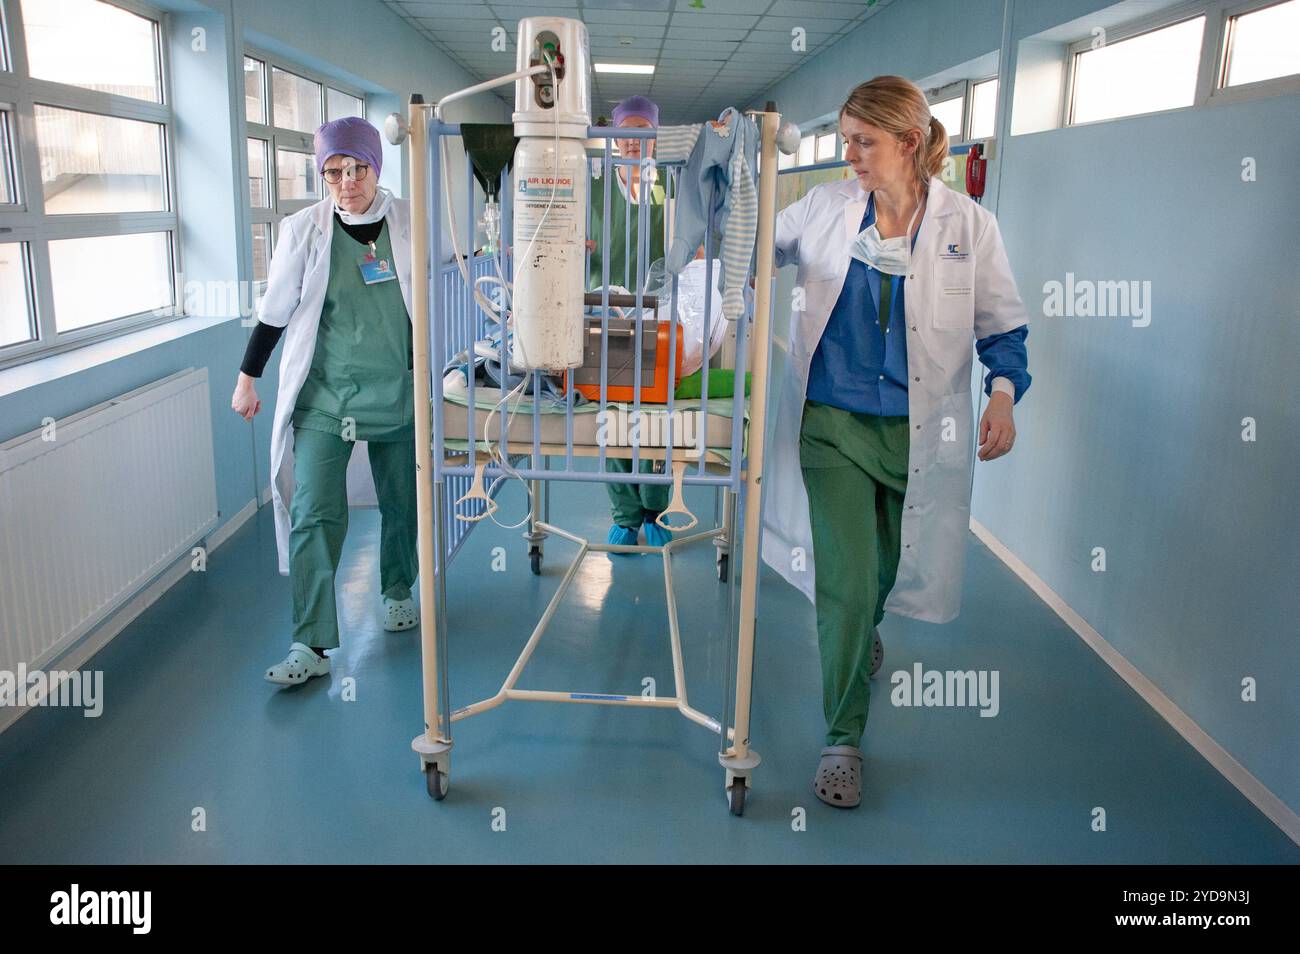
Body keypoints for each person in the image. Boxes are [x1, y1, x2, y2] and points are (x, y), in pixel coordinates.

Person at [762, 76, 1032, 807]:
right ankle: (842, 737)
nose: (848, 154)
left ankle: (863, 632)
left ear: (909, 143)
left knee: (883, 570)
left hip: (920, 434)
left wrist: (1003, 395)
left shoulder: (968, 226)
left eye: (862, 141)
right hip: (831, 426)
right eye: (845, 138)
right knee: (847, 584)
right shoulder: (825, 209)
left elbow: (1003, 327)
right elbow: (757, 247)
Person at [231, 116, 428, 687]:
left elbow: (449, 285)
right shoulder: (303, 230)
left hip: (398, 389)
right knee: (314, 511)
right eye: (333, 171)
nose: (346, 181)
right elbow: (273, 312)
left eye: (357, 167)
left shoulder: (409, 221)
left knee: (402, 499)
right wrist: (248, 379)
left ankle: (396, 589)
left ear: (376, 167)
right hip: (325, 396)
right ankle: (311, 642)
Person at [587, 95, 675, 552]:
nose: (632, 140)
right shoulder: (594, 185)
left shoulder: (670, 185)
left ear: (655, 136)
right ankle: (625, 514)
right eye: (625, 131)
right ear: (613, 138)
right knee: (613, 416)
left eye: (642, 129)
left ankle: (654, 509)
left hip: (660, 315)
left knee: (656, 417)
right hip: (605, 316)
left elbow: (690, 241)